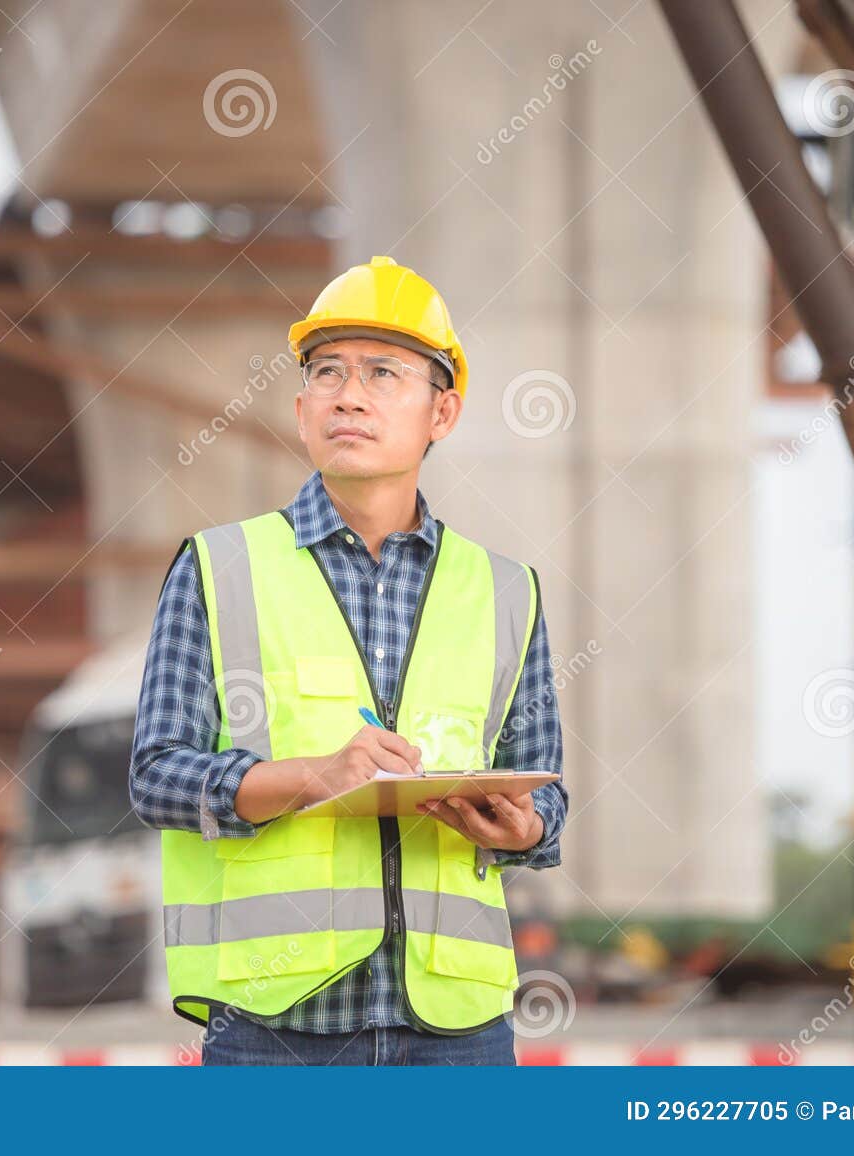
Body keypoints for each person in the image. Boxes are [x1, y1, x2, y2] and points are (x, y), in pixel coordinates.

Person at [130, 255, 567, 1066]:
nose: (349, 396)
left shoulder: (506, 590)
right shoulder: (220, 569)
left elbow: (546, 798)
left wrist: (524, 825)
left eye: (382, 373)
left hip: (458, 1034)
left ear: (443, 412)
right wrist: (314, 776)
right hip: (276, 1028)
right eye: (327, 372)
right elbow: (157, 777)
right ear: (302, 411)